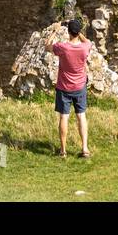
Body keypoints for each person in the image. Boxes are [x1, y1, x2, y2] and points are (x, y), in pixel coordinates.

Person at [48, 18, 92, 158]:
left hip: (64, 87)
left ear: (68, 32)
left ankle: (63, 150)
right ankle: (85, 148)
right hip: (79, 87)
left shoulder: (63, 47)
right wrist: (78, 31)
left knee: (64, 117)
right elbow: (86, 41)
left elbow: (47, 45)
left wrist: (55, 29)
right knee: (81, 116)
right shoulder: (85, 47)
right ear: (78, 32)